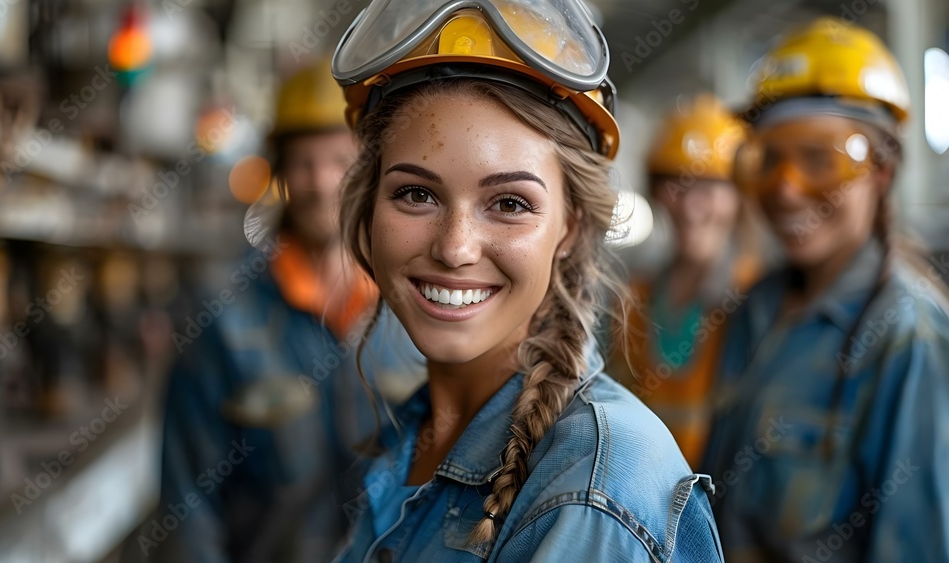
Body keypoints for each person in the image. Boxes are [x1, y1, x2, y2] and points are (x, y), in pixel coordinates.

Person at [330, 1, 723, 561]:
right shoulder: (413, 433)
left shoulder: (596, 491)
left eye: (510, 203)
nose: (455, 248)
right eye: (416, 194)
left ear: (571, 226)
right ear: (370, 206)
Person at [137, 60, 422, 563]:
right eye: (303, 162)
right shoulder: (225, 315)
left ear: (371, 170)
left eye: (339, 160)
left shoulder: (414, 307)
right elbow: (188, 503)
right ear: (281, 170)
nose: (321, 181)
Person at [701, 17, 949, 562]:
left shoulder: (910, 336)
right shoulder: (754, 307)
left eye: (820, 160)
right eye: (769, 161)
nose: (787, 190)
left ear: (881, 172)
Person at [610, 94, 761, 467]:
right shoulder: (632, 297)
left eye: (710, 187)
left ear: (741, 195)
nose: (691, 207)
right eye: (676, 185)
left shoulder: (760, 297)